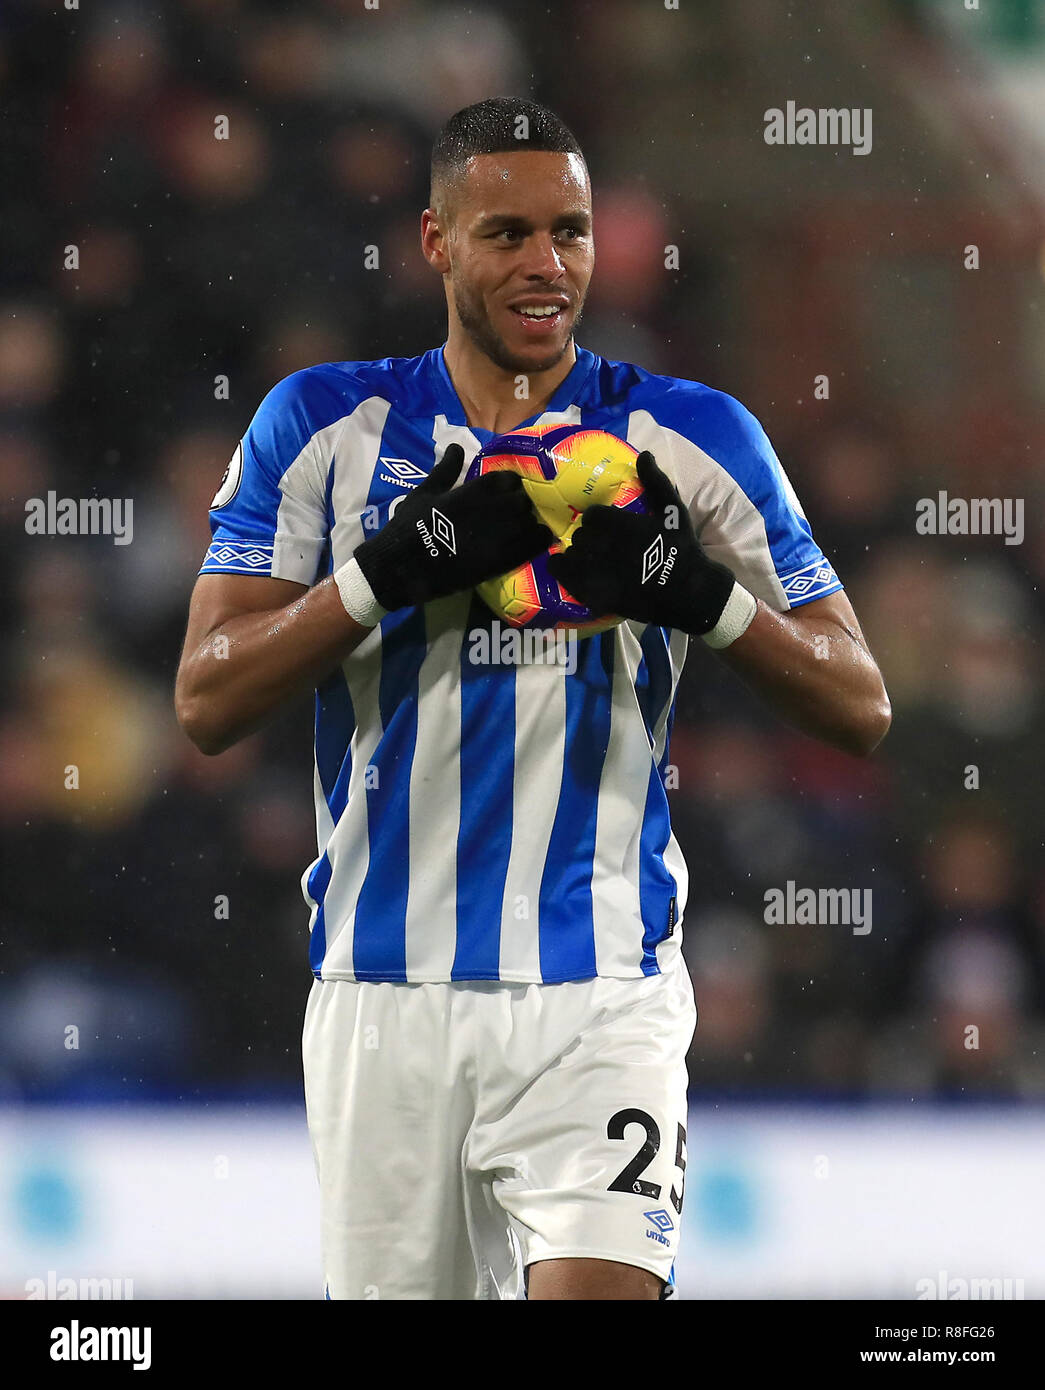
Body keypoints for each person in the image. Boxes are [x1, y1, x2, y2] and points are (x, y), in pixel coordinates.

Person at [174, 97, 891, 1301]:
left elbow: (860, 702)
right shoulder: (323, 425)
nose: (545, 264)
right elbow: (204, 697)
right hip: (382, 1000)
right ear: (436, 242)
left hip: (602, 993)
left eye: (569, 230)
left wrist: (690, 592)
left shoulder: (693, 436)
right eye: (505, 233)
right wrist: (387, 573)